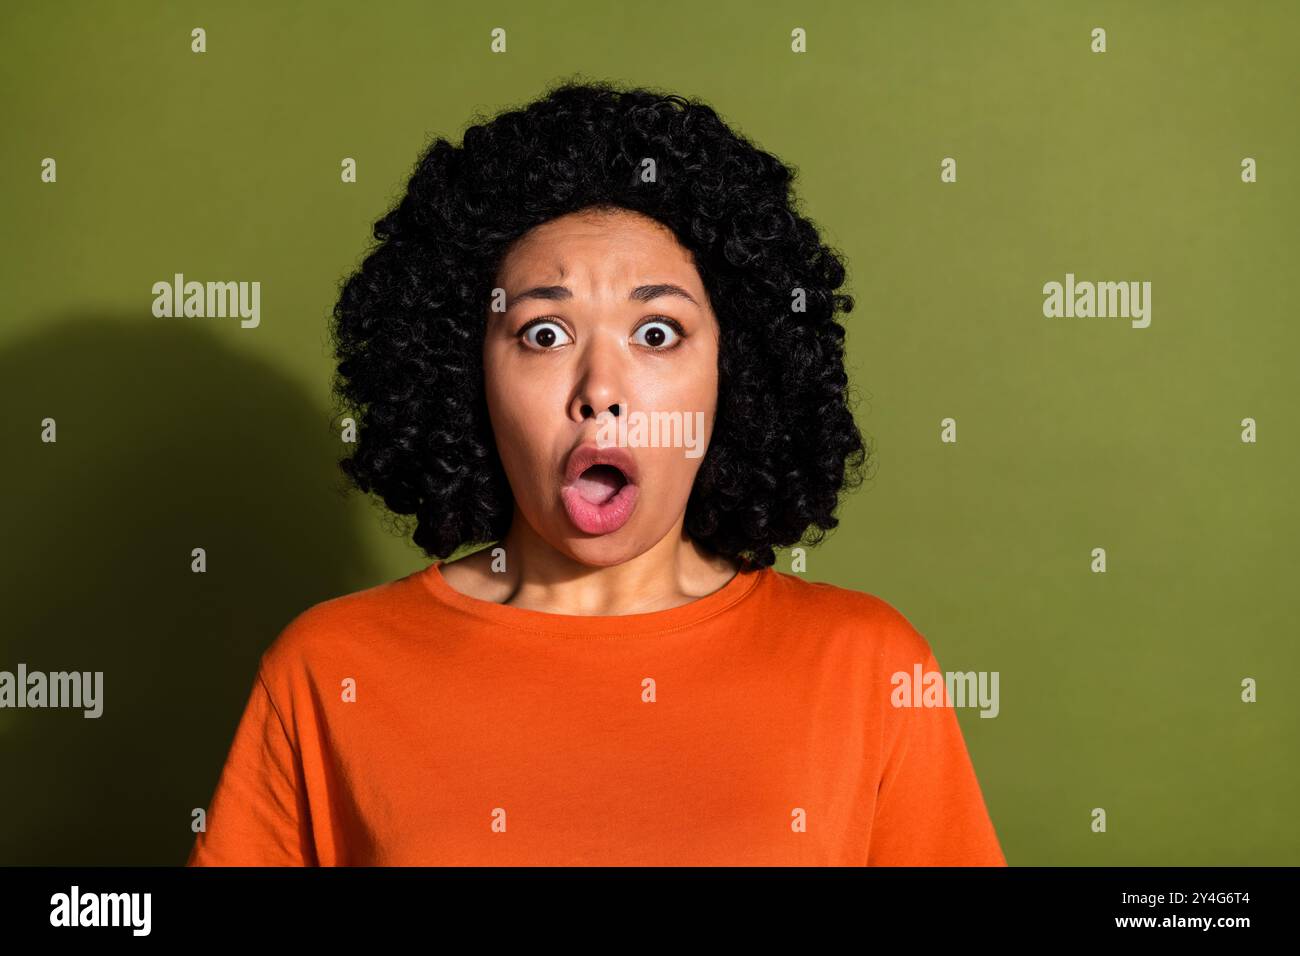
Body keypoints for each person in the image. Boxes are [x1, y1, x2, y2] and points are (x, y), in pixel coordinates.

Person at [186, 79, 1006, 866]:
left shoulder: (867, 668)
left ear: (738, 370)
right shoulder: (331, 670)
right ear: (464, 371)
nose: (601, 393)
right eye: (544, 334)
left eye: (657, 333)